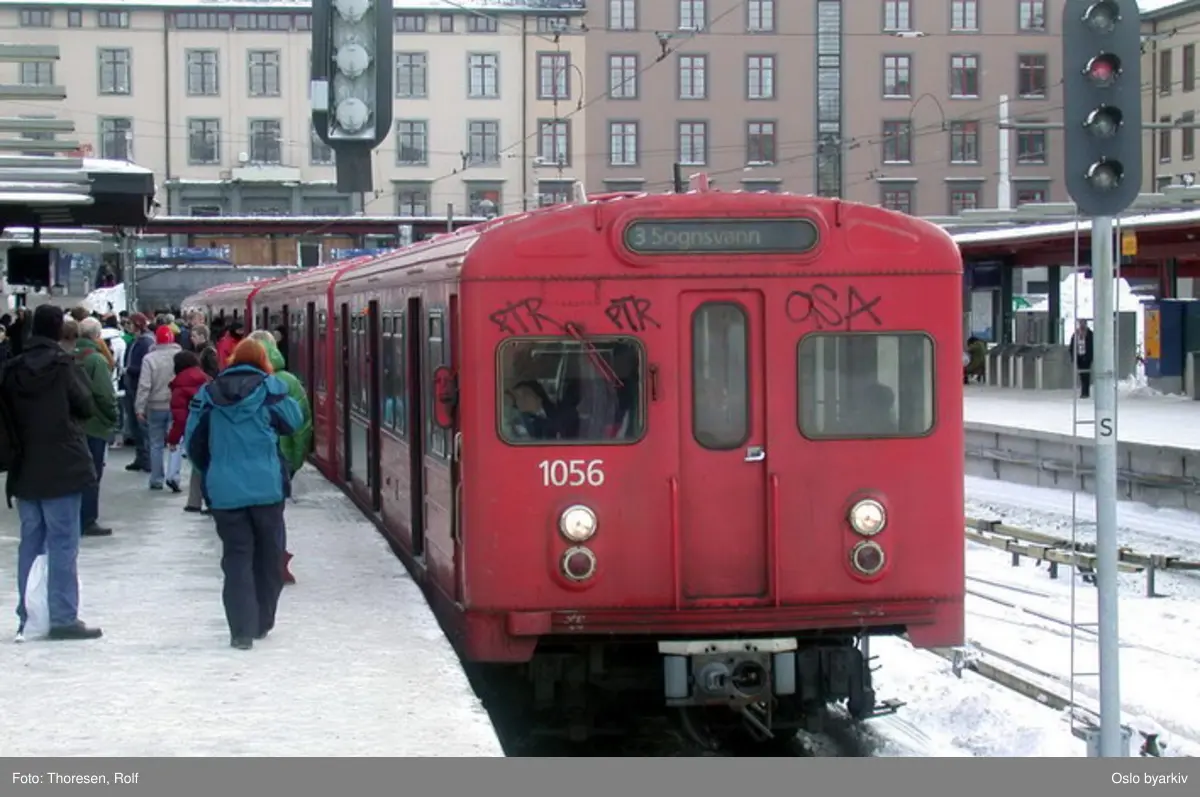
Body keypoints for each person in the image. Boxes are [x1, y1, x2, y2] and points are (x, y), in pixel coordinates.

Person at [185, 338, 302, 649]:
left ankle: (241, 631)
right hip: (266, 490)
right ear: (263, 360)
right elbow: (294, 423)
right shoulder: (271, 390)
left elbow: (193, 444)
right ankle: (263, 621)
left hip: (224, 493)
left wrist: (214, 470)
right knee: (269, 556)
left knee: (236, 559)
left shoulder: (207, 396)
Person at [1, 304, 102, 641]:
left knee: (31, 542)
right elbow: (86, 404)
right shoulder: (63, 366)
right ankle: (62, 617)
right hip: (63, 465)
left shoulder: (11, 369)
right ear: (59, 330)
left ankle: (28, 614)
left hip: (25, 465)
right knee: (62, 543)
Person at [248, 331, 313, 584]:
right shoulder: (289, 382)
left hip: (247, 460)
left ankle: (255, 561)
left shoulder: (234, 381)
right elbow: (301, 425)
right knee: (275, 514)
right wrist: (295, 462)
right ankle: (276, 561)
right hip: (280, 459)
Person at [73, 318, 120, 536]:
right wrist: (113, 417)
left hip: (72, 425)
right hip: (95, 424)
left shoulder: (69, 356)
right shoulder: (96, 361)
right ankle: (88, 519)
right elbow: (104, 394)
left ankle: (73, 516)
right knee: (92, 474)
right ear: (97, 335)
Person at [135, 325, 182, 491]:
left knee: (155, 444)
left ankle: (156, 479)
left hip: (155, 406)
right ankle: (173, 476)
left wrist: (139, 407)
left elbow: (144, 385)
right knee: (176, 441)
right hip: (177, 405)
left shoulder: (149, 359)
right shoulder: (180, 356)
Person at [166, 350, 211, 512]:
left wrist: (173, 439)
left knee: (198, 464)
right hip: (209, 426)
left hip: (192, 430)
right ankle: (202, 501)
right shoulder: (206, 379)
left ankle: (195, 501)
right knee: (206, 462)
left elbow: (180, 418)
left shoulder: (179, 386)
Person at [123, 313, 155, 471]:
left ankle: (146, 458)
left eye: (130, 323)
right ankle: (141, 457)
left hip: (138, 387)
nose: (127, 326)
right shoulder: (138, 341)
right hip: (132, 386)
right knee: (135, 425)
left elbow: (144, 367)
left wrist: (128, 369)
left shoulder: (145, 343)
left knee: (141, 425)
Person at [1068, 319, 1094, 399]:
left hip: (1087, 357)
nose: (1082, 325)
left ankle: (1086, 392)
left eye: (1083, 323)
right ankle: (1084, 391)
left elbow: (1092, 346)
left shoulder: (1090, 334)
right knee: (1082, 375)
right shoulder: (1076, 334)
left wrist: (1090, 356)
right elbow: (1072, 346)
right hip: (1079, 356)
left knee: (1086, 374)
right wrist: (1073, 356)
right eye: (1081, 323)